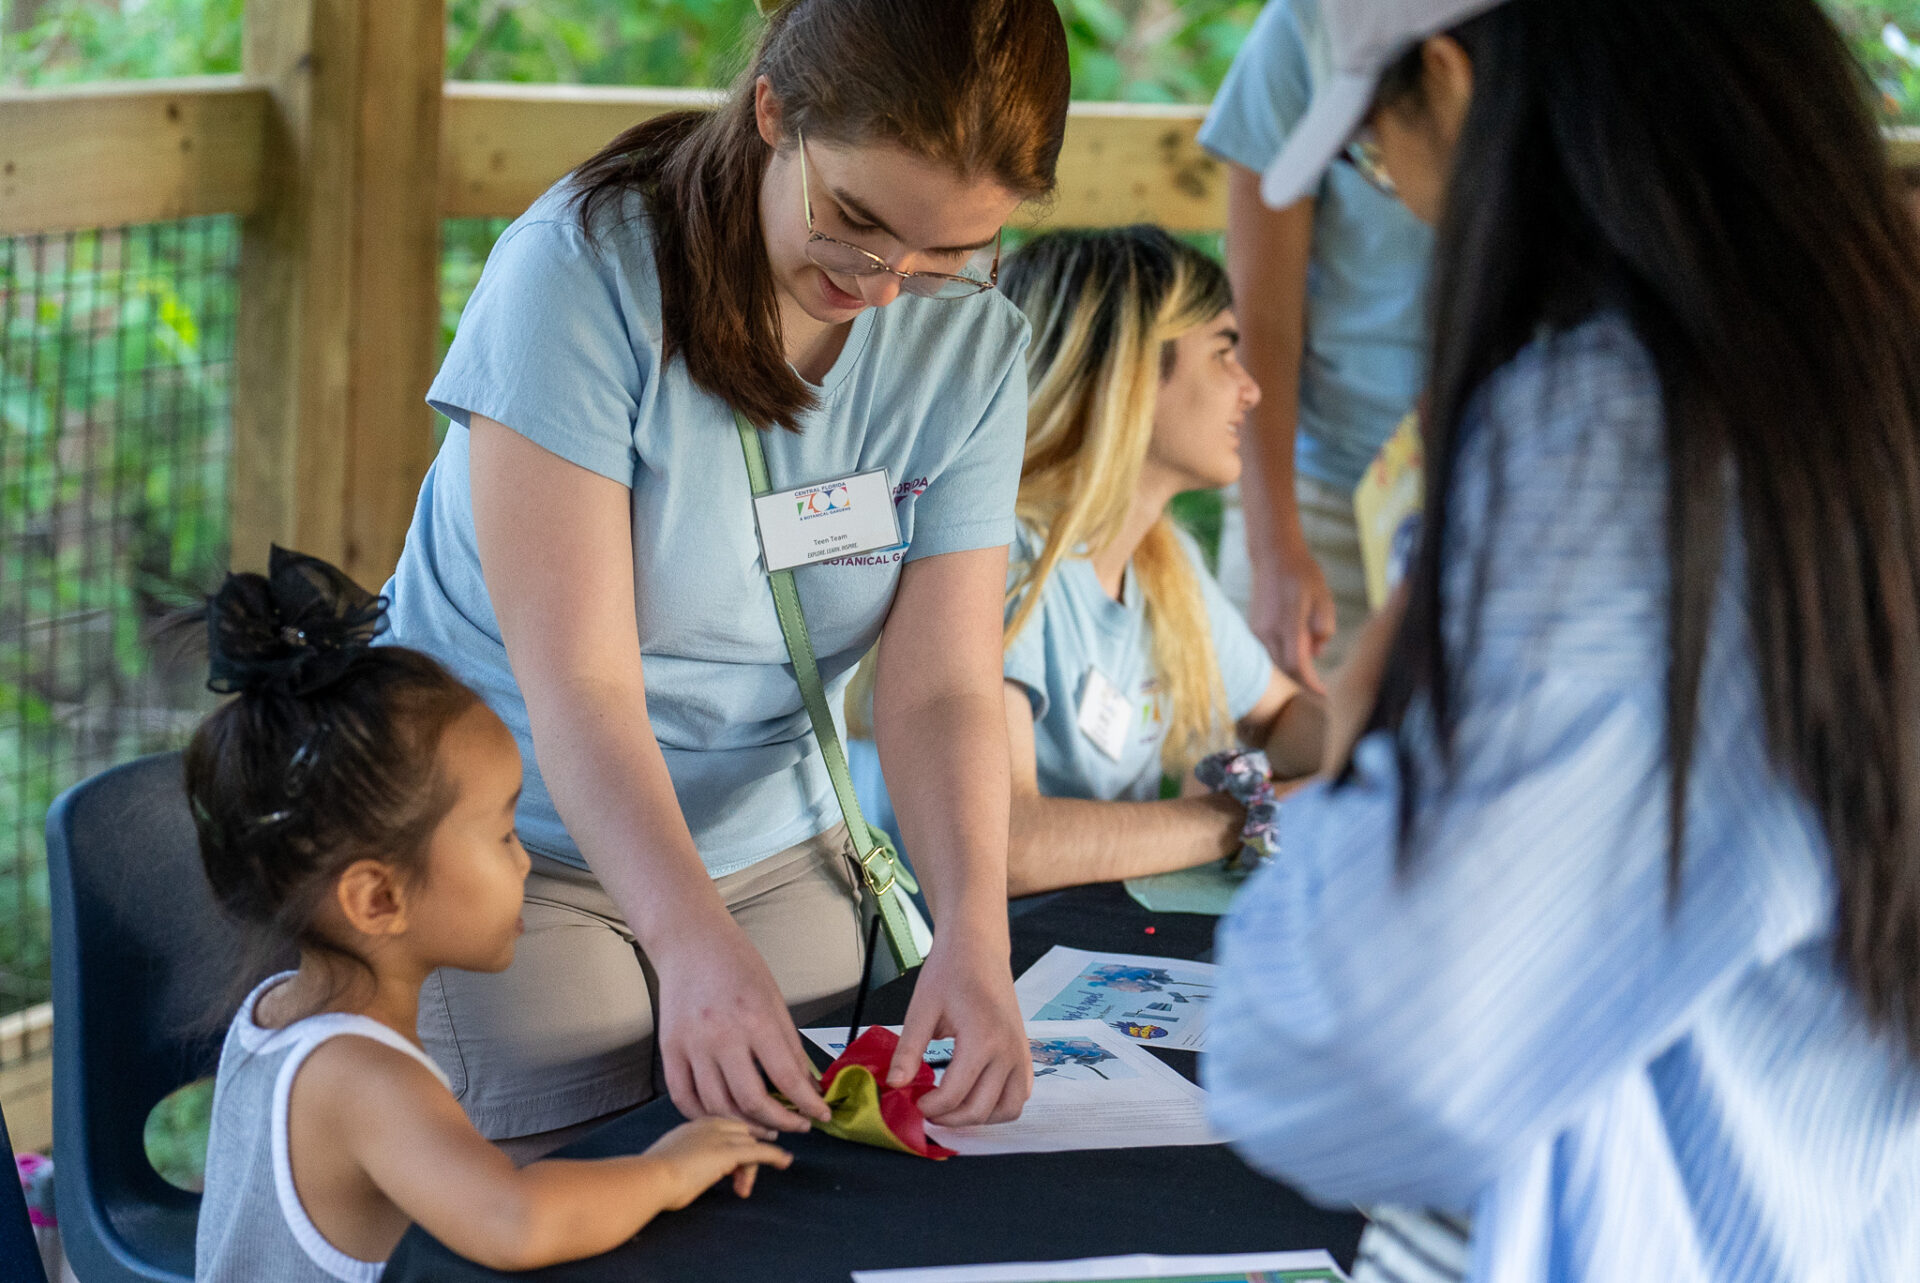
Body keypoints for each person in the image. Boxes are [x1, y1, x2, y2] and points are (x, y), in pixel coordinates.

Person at [1205, 2, 1920, 1281]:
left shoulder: (1605, 434)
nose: (1413, 204)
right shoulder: (1863, 370)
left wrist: (1375, 750)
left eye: (1377, 149)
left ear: (1453, 81)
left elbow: (1364, 1055)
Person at [382, 0, 1069, 1157]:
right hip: (509, 837)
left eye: (949, 252)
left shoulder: (976, 343)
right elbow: (582, 689)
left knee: (821, 1177)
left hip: (772, 836)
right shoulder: (578, 276)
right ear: (773, 114)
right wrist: (691, 943)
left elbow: (944, 687)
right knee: (584, 1177)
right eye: (856, 219)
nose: (885, 283)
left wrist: (973, 933)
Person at [188, 550, 790, 1281]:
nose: (526, 860)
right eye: (504, 834)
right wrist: (667, 1172)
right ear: (378, 898)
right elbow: (518, 1219)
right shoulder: (363, 1078)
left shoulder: (274, 1017)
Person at [992, 228, 1326, 895]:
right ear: (1132, 372)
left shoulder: (1161, 562)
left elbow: (1282, 718)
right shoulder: (1002, 559)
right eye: (1224, 354)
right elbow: (1006, 845)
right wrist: (1252, 812)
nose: (1250, 389)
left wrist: (1403, 750)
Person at [1199, 0, 1432, 690]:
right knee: (1268, 760)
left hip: (1493, 472)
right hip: (1317, 470)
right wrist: (1276, 550)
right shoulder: (1297, 32)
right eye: (1365, 157)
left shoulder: (1567, 51)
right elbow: (1262, 316)